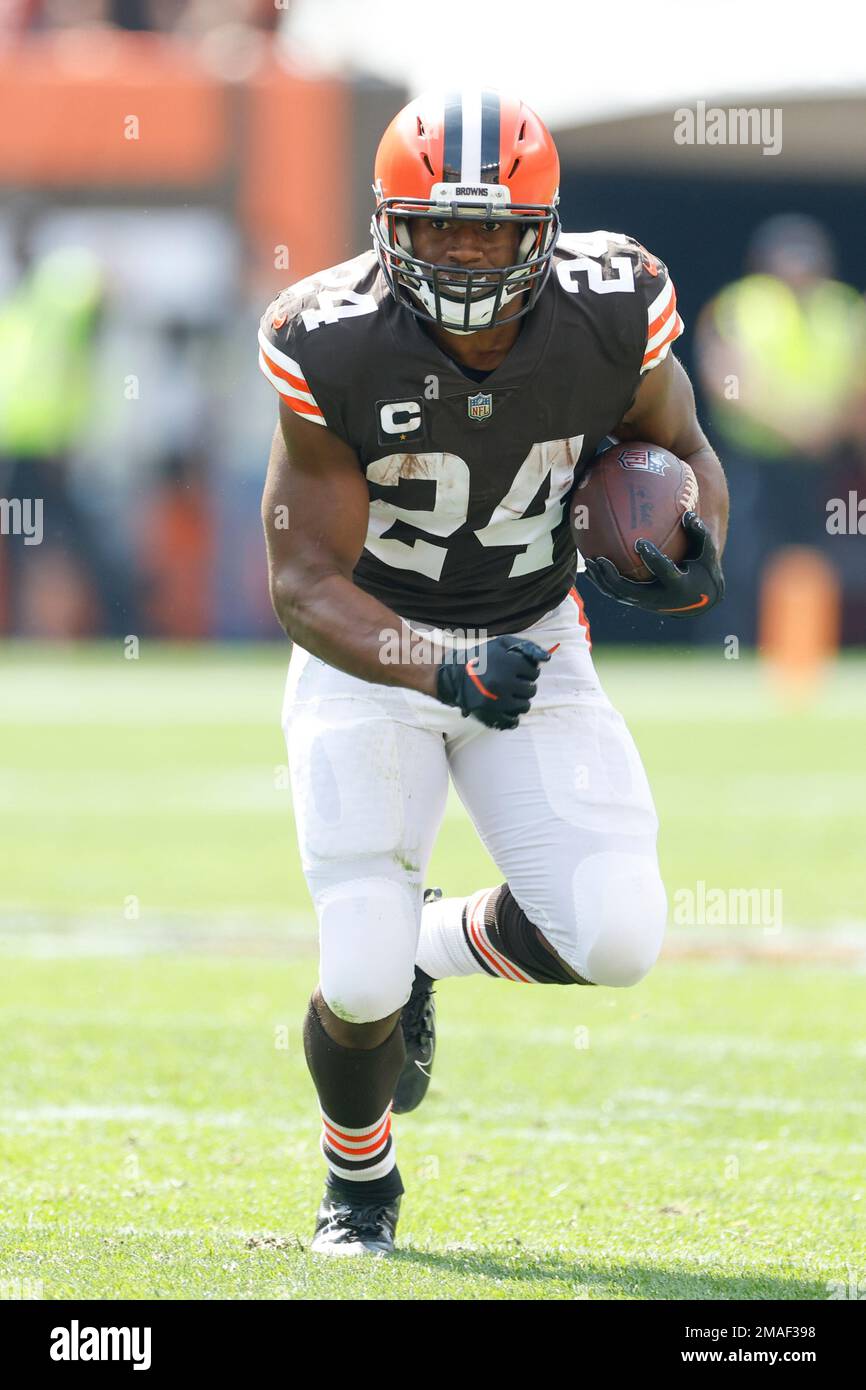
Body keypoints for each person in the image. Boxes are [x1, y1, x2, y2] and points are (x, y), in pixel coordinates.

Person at [258, 90, 728, 1255]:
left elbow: (682, 454)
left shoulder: (613, 307)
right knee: (354, 982)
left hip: (531, 635)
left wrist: (688, 546)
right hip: (377, 654)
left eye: (491, 231)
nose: (464, 254)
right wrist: (434, 664)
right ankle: (359, 1182)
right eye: (438, 227)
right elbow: (305, 582)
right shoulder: (329, 334)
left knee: (615, 935)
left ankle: (431, 941)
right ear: (387, 226)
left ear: (543, 232)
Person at [695, 214, 866, 643]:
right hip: (756, 456)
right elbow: (725, 380)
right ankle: (733, 649)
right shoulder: (743, 304)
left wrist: (830, 426)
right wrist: (792, 425)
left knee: (829, 554)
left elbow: (856, 378)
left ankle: (810, 650)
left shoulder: (841, 308)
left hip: (824, 457)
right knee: (742, 554)